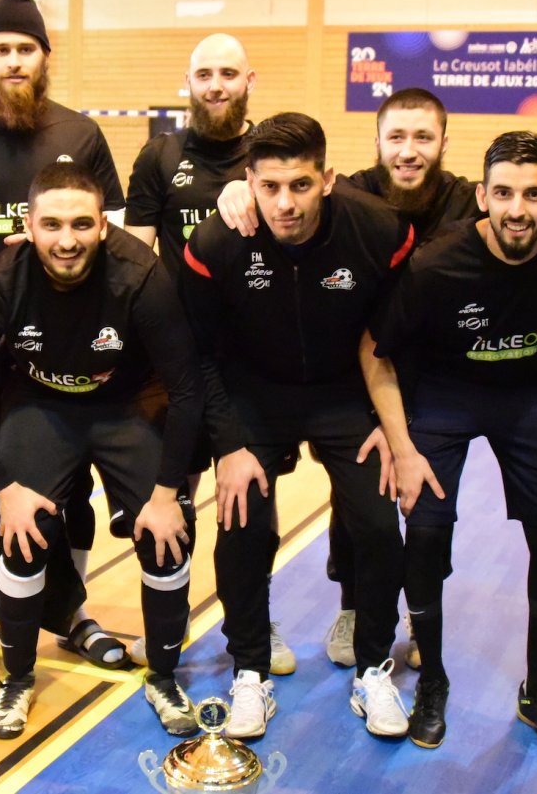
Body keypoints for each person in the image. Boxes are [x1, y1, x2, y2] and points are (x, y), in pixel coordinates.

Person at [217, 88, 537, 669]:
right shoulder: (348, 191)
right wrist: (239, 188)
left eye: (423, 137)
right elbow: (278, 186)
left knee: (417, 504)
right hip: (364, 370)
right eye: (397, 137)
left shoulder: (471, 198)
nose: (409, 151)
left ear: (443, 142)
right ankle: (353, 605)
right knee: (358, 490)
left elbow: (525, 201)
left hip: (436, 373)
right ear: (377, 143)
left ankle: (415, 610)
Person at [0, 163, 203, 738]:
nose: (66, 239)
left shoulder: (141, 274)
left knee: (168, 536)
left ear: (103, 227)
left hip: (127, 402)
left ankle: (162, 675)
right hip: (40, 405)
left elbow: (186, 390)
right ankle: (19, 680)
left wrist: (163, 495)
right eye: (51, 224)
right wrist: (4, 490)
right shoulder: (1, 282)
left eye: (82, 224)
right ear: (27, 226)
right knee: (23, 535)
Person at [367, 131, 537, 755]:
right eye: (503, 193)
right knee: (423, 531)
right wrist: (401, 446)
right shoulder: (436, 264)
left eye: (535, 194)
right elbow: (376, 350)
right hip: (443, 397)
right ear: (482, 196)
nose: (518, 209)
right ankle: (434, 680)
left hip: (525, 394)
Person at [180, 112, 411, 739]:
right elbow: (201, 356)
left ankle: (373, 668)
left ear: (328, 178)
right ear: (248, 181)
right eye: (270, 186)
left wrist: (391, 423)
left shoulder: (379, 229)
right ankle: (249, 670)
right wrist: (228, 444)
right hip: (255, 395)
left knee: (376, 524)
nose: (285, 204)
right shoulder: (215, 245)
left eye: (302, 186)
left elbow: (398, 335)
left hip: (345, 395)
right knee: (242, 519)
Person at [0, 0, 127, 672]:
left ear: (46, 56)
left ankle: (66, 610)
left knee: (70, 488)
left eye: (26, 48)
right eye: (2, 48)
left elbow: (119, 235)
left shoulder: (81, 133)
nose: (14, 60)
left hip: (70, 343)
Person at [122, 32, 294, 675]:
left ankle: (255, 622)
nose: (215, 84)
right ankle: (167, 624)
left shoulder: (274, 152)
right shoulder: (159, 156)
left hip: (255, 364)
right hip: (176, 361)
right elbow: (134, 259)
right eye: (203, 73)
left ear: (251, 79)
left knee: (253, 504)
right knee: (171, 495)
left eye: (228, 72)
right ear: (187, 83)